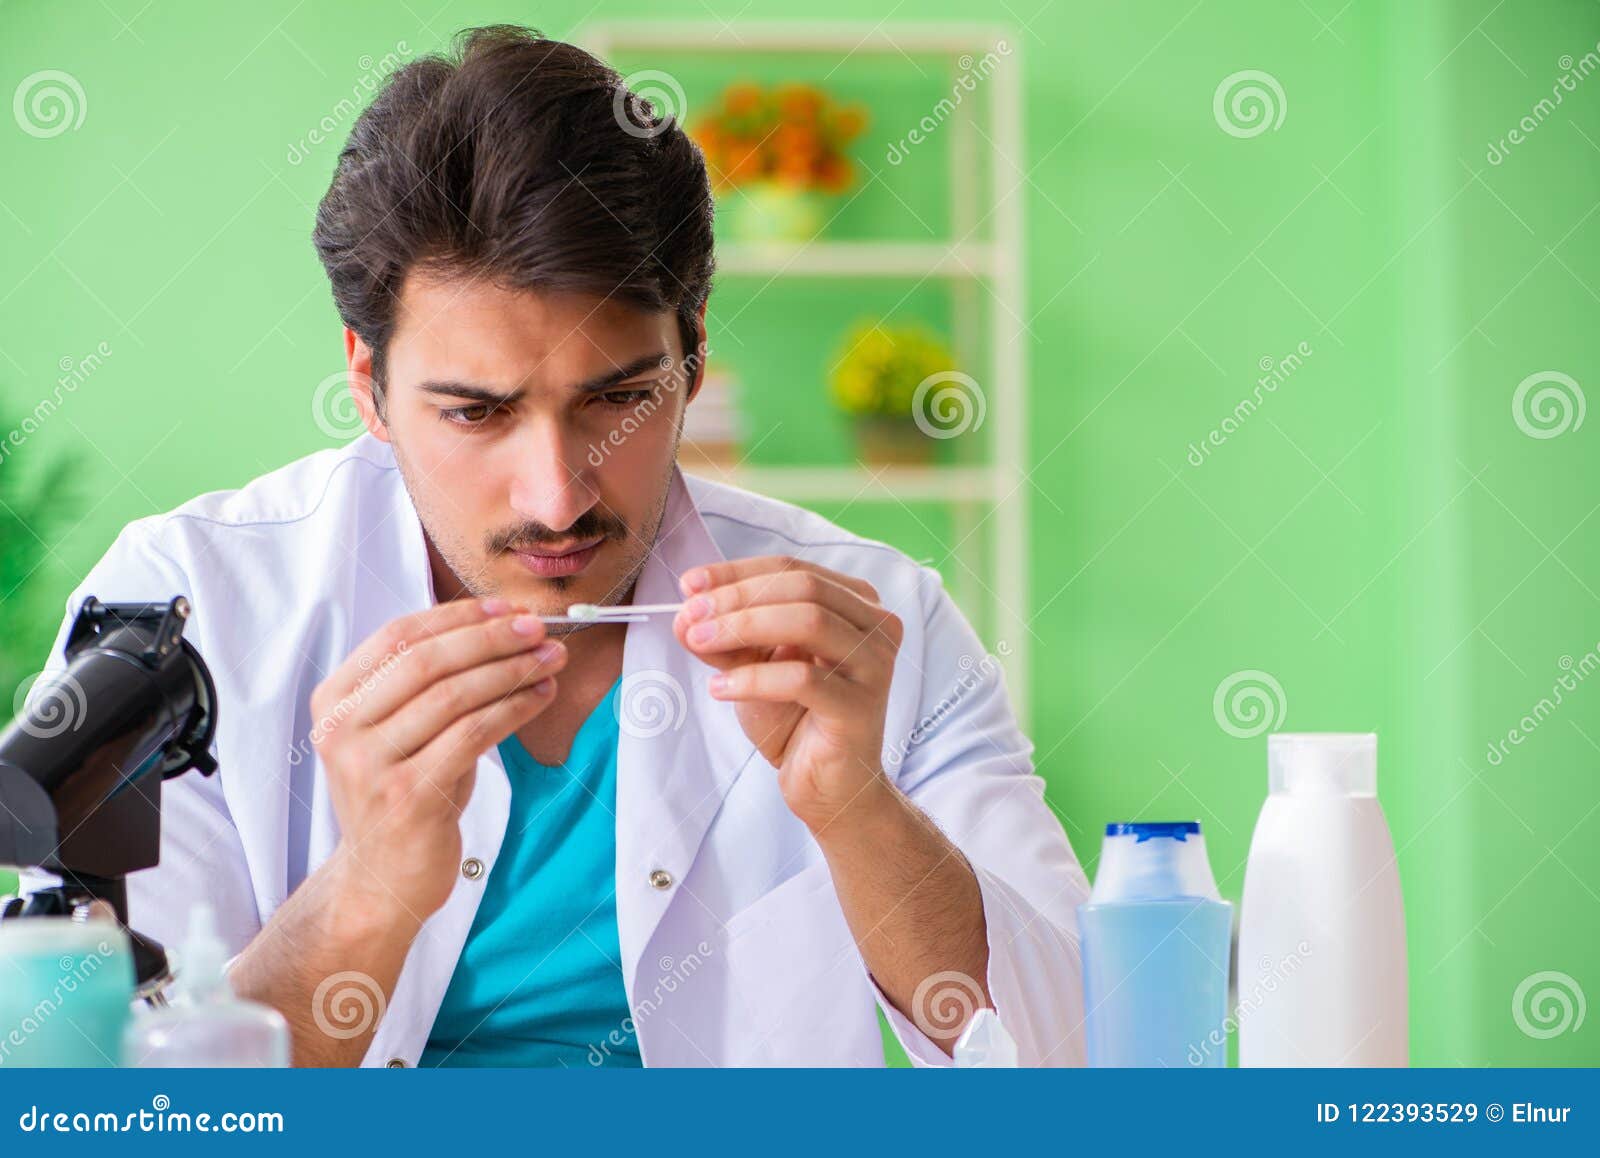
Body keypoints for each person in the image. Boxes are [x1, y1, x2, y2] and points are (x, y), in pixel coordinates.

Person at [29, 26, 1088, 1067]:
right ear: (366, 382)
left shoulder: (866, 626)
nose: (556, 496)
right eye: (477, 412)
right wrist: (371, 890)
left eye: (619, 399)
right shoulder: (183, 612)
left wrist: (852, 807)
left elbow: (1080, 1060)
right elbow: (114, 1099)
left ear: (696, 357)